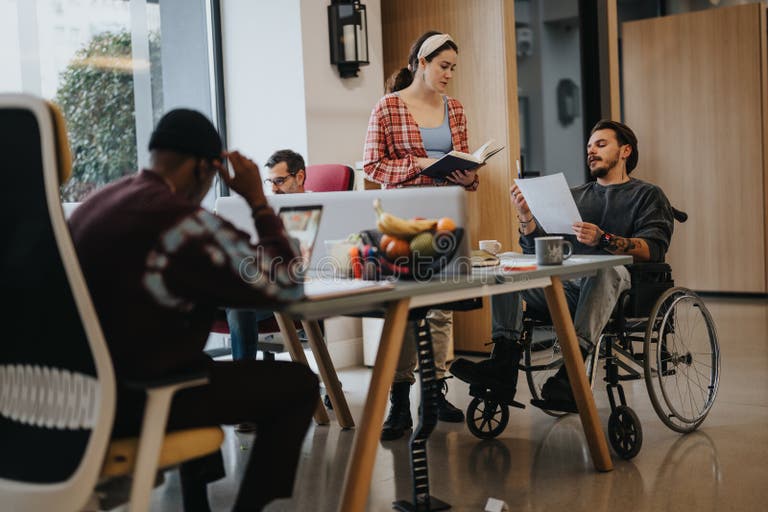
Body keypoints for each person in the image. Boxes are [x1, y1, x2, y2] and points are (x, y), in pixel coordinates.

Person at [68, 109, 318, 512]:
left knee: (193, 358)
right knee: (298, 384)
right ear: (205, 168)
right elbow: (287, 285)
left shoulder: (95, 205)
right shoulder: (184, 223)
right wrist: (257, 200)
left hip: (78, 391)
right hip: (140, 398)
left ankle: (197, 503)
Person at [451, 120, 675, 407]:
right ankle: (503, 364)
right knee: (505, 264)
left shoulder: (647, 195)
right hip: (568, 287)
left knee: (604, 268)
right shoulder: (576, 196)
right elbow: (538, 251)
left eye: (601, 144)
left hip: (620, 288)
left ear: (625, 151)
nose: (591, 151)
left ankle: (571, 374)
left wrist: (604, 238)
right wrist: (525, 217)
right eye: (589, 147)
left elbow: (653, 248)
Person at [363, 30, 477, 440]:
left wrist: (467, 175)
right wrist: (420, 164)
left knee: (443, 309)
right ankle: (399, 399)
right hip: (404, 221)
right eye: (443, 66)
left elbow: (462, 163)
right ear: (421, 64)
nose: (449, 74)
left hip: (445, 215)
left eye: (453, 68)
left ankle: (434, 391)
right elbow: (372, 167)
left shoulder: (456, 109)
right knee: (409, 312)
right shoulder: (388, 108)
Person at [226, 149, 309, 368]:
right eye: (270, 182)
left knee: (240, 307)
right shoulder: (262, 210)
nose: (273, 188)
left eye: (279, 181)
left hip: (292, 288)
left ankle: (245, 386)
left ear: (299, 177)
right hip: (258, 282)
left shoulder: (317, 208)